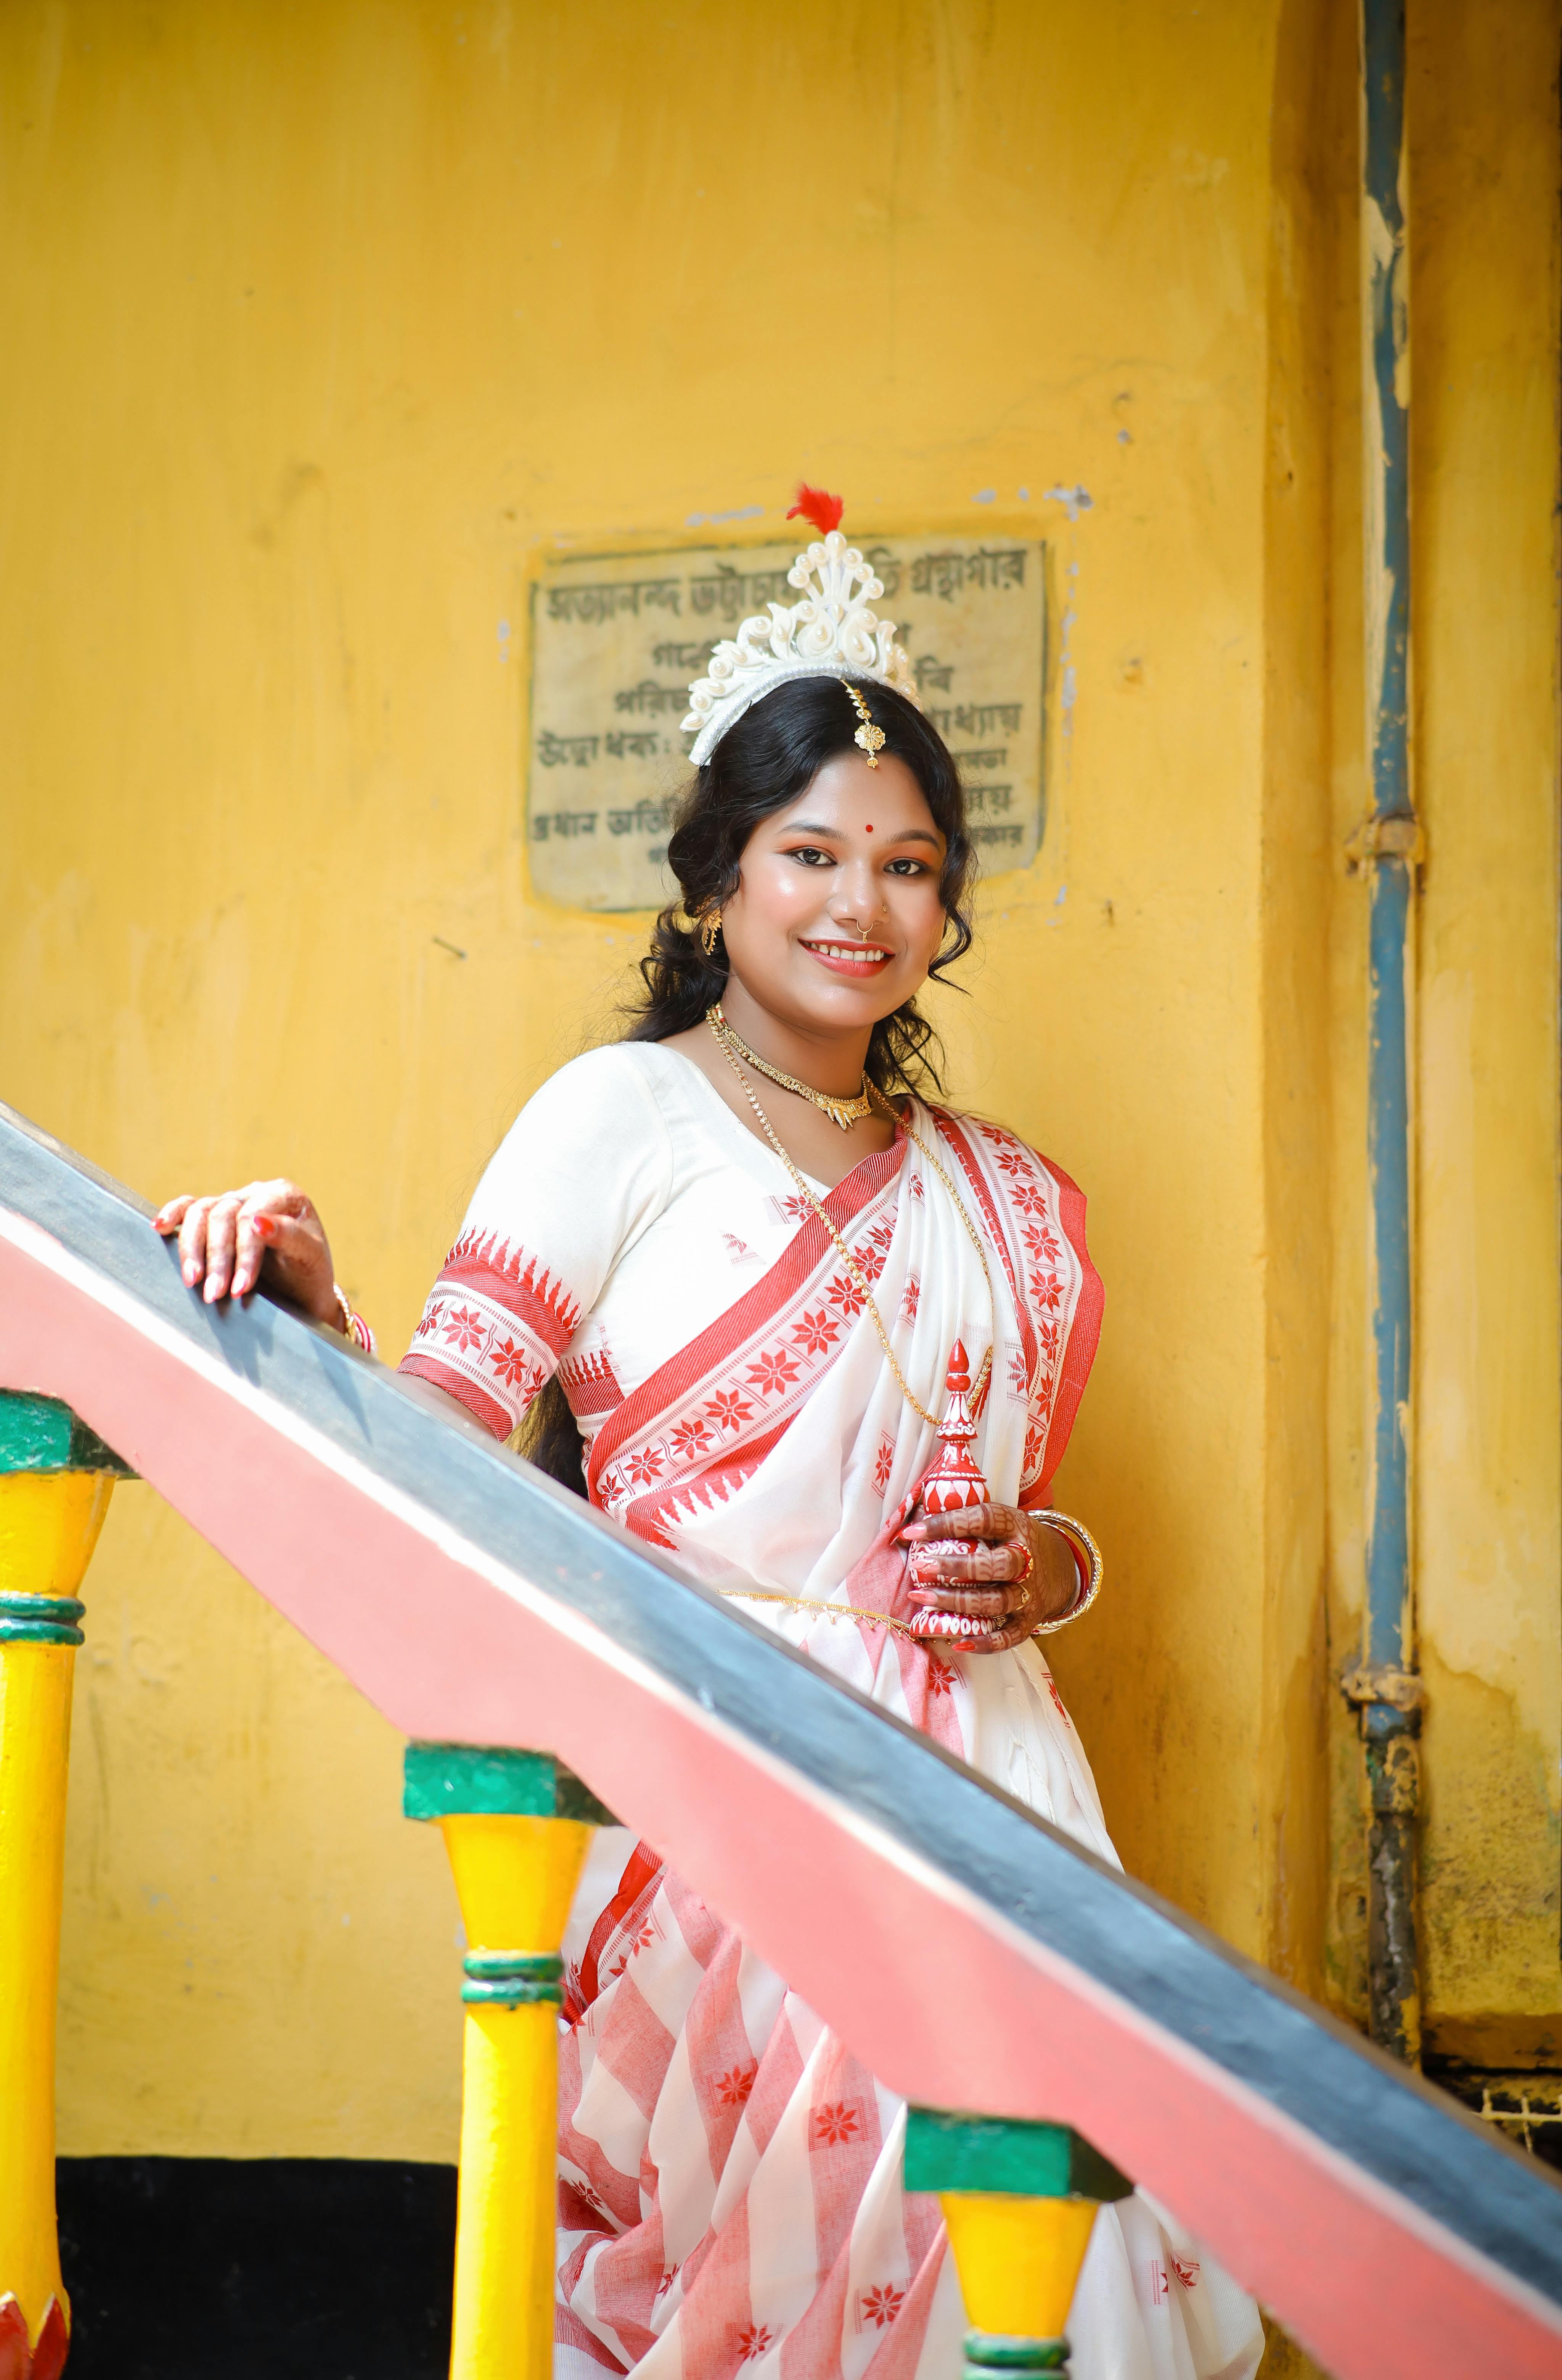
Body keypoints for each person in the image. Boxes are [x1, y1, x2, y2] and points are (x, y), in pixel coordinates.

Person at [155, 515, 1262, 2379]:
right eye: (809, 853)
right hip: (714, 1800)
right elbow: (434, 1451)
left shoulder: (999, 1200)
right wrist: (313, 1306)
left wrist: (1048, 1565)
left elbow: (1024, 1516)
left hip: (983, 1799)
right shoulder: (619, 1120)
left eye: (909, 867)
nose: (861, 905)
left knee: (1004, 2282)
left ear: (949, 905)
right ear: (716, 882)